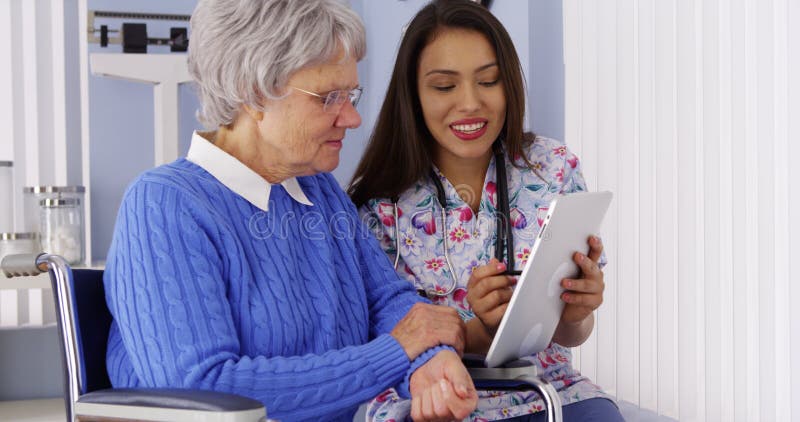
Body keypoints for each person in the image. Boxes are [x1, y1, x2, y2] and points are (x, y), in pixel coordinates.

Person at [102, 1, 480, 420]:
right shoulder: (165, 205)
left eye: (351, 94)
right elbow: (202, 388)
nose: (352, 118)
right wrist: (395, 353)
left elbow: (390, 304)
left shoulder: (319, 191)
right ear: (253, 92)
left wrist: (432, 363)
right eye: (329, 98)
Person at [349, 0, 625, 420]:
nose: (470, 103)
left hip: (547, 393)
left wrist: (578, 311)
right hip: (436, 403)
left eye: (489, 80)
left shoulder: (553, 169)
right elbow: (387, 351)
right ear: (413, 94)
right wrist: (479, 331)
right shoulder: (381, 209)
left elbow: (572, 335)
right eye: (444, 86)